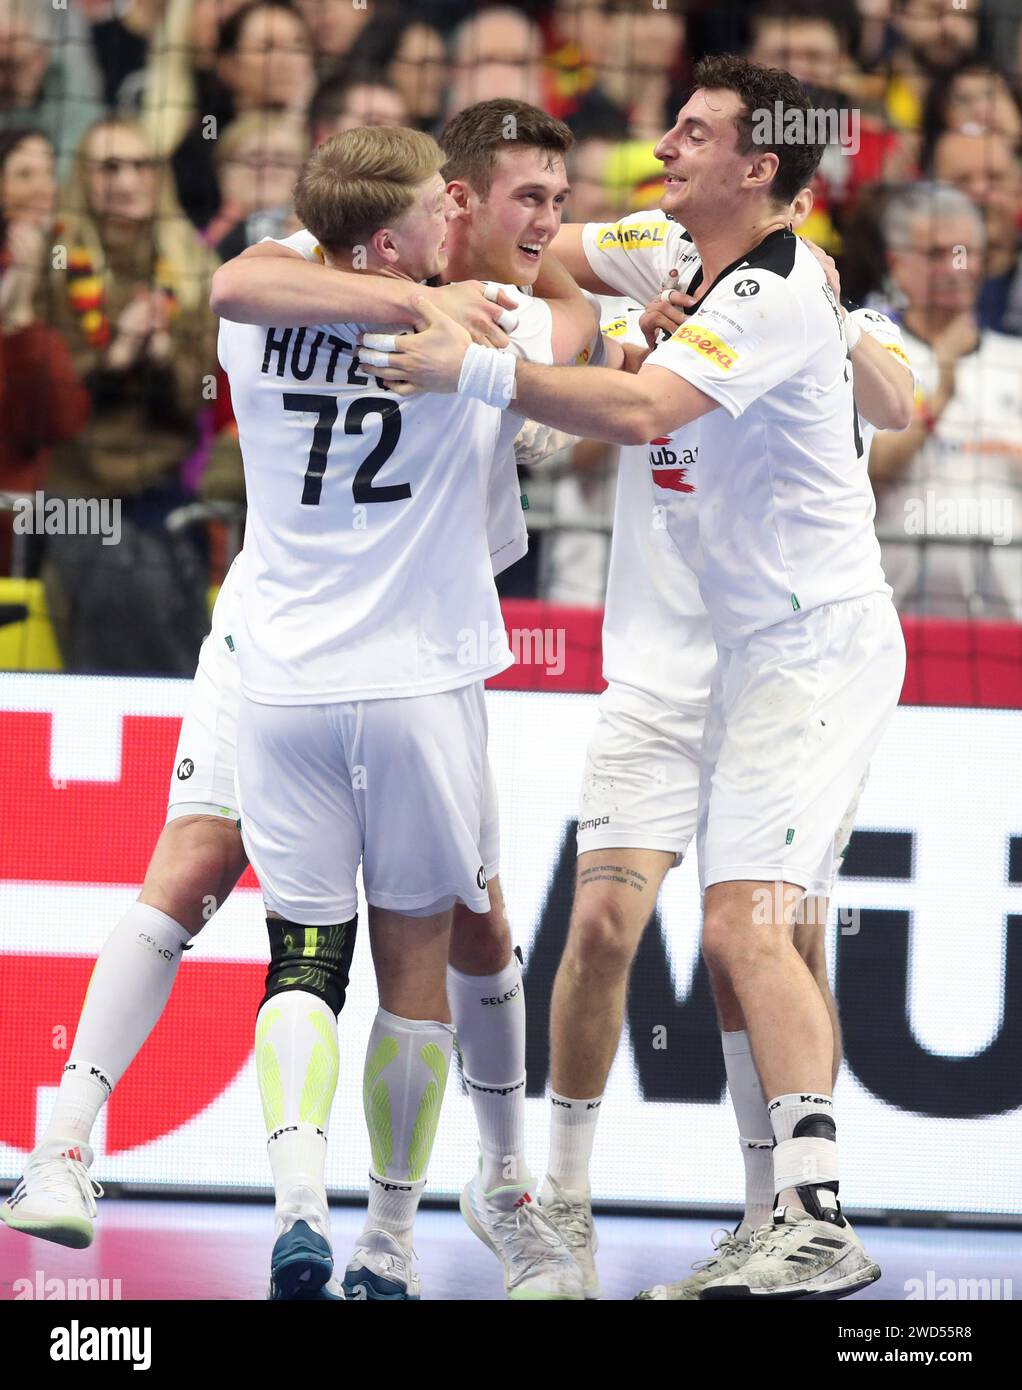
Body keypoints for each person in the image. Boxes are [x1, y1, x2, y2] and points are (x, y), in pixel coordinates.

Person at [1, 102, 593, 1304]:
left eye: (560, 201)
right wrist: (470, 308)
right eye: (522, 197)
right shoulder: (456, 304)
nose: (546, 221)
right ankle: (92, 1150)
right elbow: (562, 337)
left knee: (444, 927)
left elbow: (252, 283)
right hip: (315, 648)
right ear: (452, 202)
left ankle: (491, 1188)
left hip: (342, 652)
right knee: (222, 881)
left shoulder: (357, 287)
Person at [365, 55, 909, 1300]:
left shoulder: (778, 292)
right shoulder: (688, 257)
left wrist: (481, 370)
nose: (661, 145)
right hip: (744, 656)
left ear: (756, 165)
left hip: (810, 647)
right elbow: (563, 274)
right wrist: (596, 322)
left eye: (691, 130)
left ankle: (810, 1217)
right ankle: (754, 1210)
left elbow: (644, 411)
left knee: (750, 922)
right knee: (732, 932)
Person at [221, 122, 592, 1301]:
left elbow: (245, 273)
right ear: (395, 233)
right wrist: (544, 269)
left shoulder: (256, 318)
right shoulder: (479, 319)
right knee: (414, 965)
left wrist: (395, 283)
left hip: (278, 684)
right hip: (420, 685)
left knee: (302, 956)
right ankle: (388, 1240)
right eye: (445, 202)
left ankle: (294, 1213)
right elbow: (576, 336)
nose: (460, 215)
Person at [870, 181, 1022, 619]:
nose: (956, 267)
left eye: (967, 252)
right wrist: (944, 387)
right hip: (897, 622)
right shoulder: (873, 355)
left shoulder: (1013, 361)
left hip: (1006, 624)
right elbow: (875, 468)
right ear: (896, 264)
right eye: (937, 253)